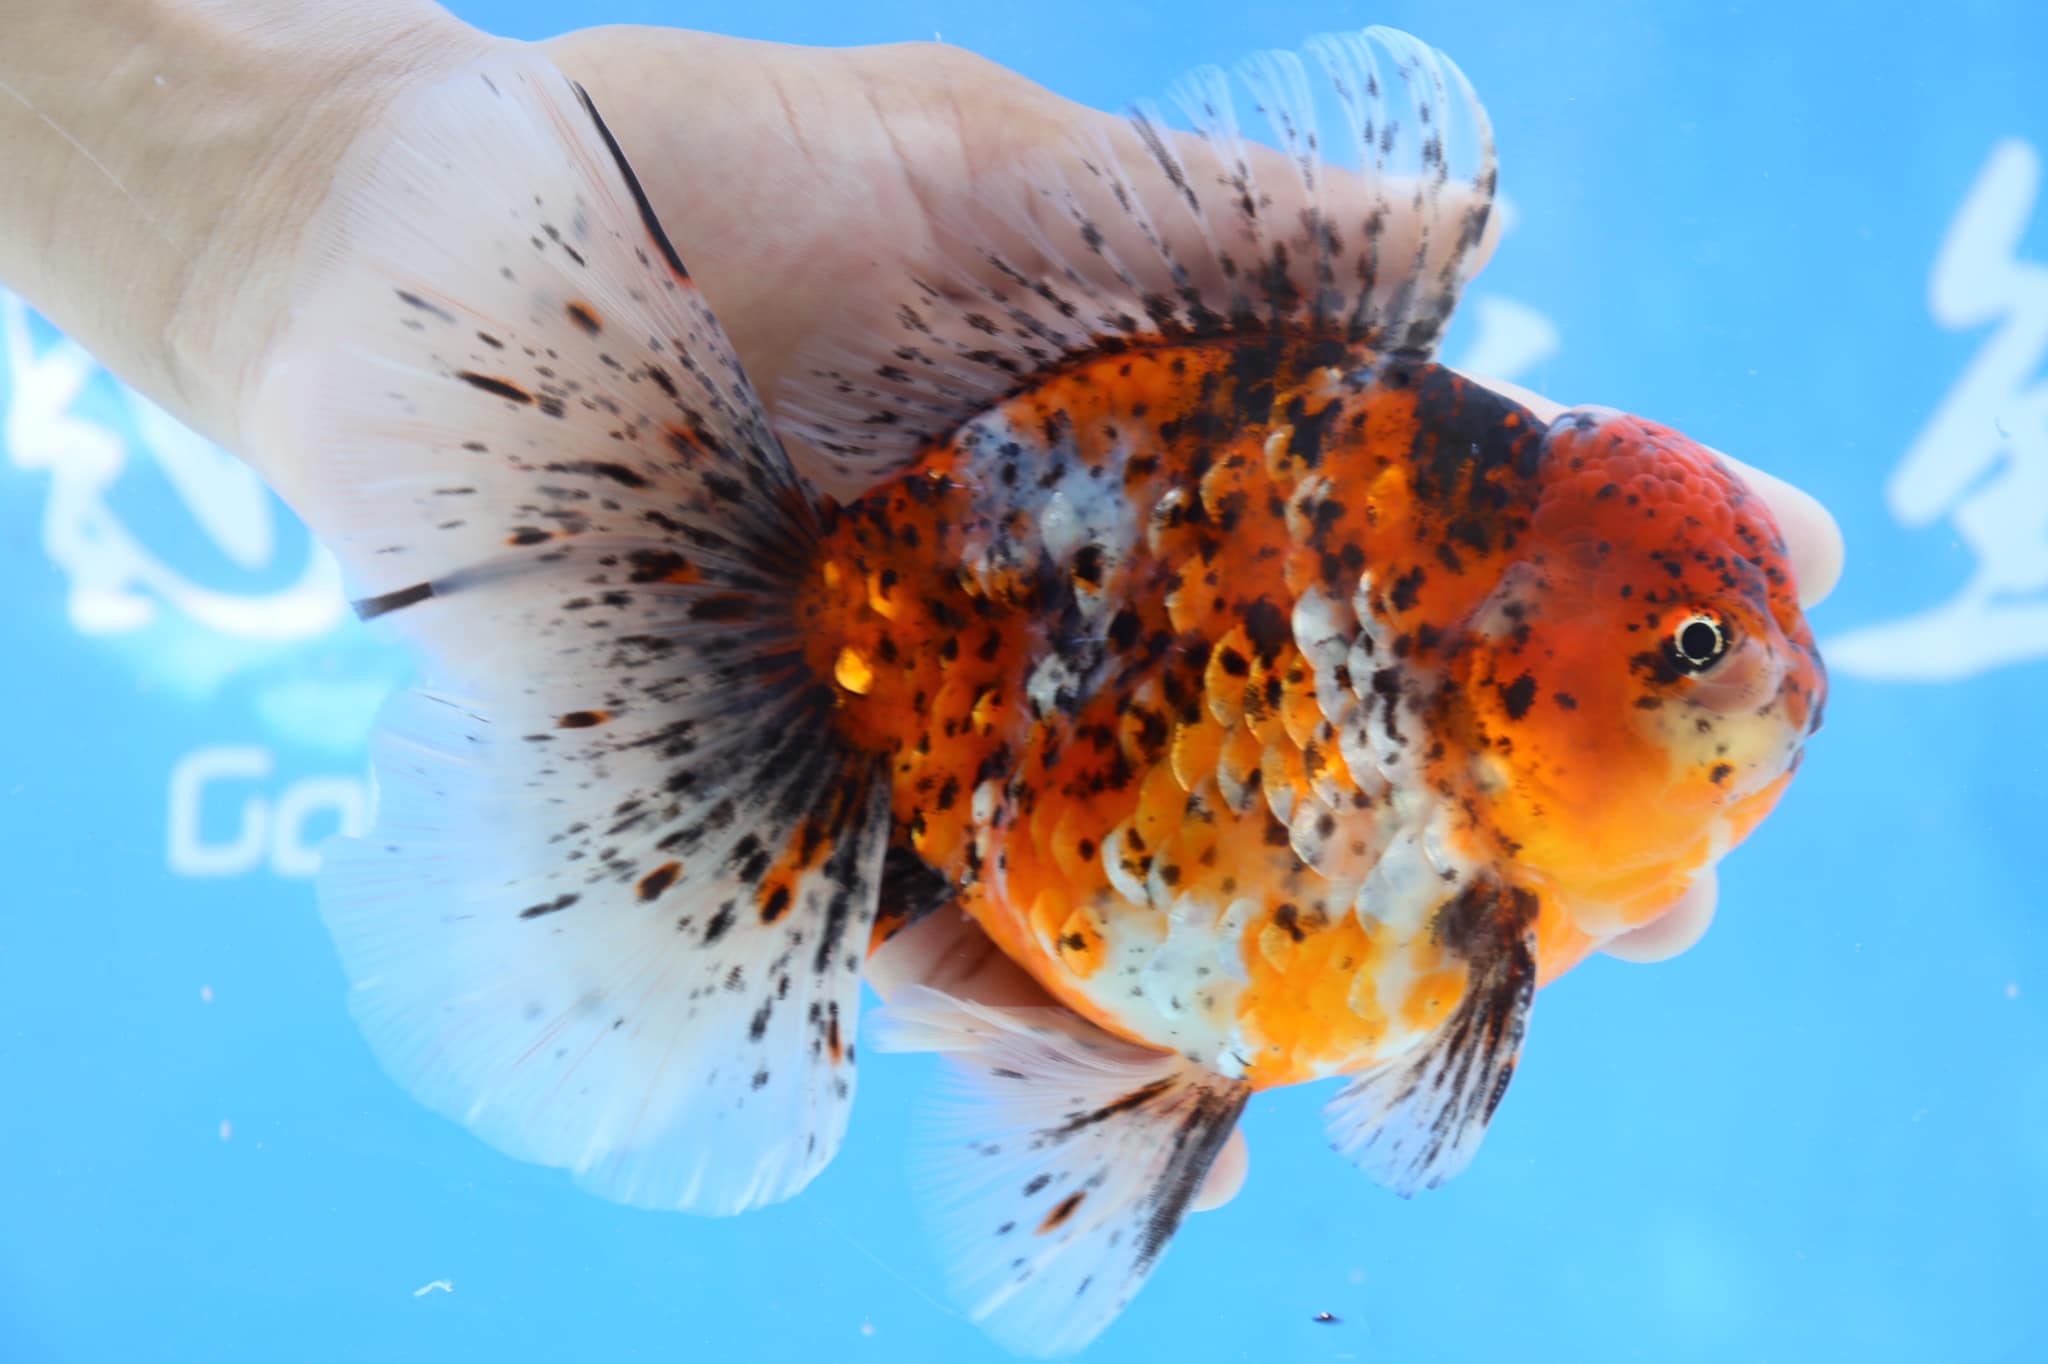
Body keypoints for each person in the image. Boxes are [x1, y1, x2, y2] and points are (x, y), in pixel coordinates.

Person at [0, 0, 1846, 1213]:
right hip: (988, 657)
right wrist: (283, 188)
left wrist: (294, 179)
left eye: (1734, 656)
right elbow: (1400, 1092)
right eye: (1695, 657)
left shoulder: (1502, 861)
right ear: (1507, 677)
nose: (1767, 696)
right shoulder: (1493, 855)